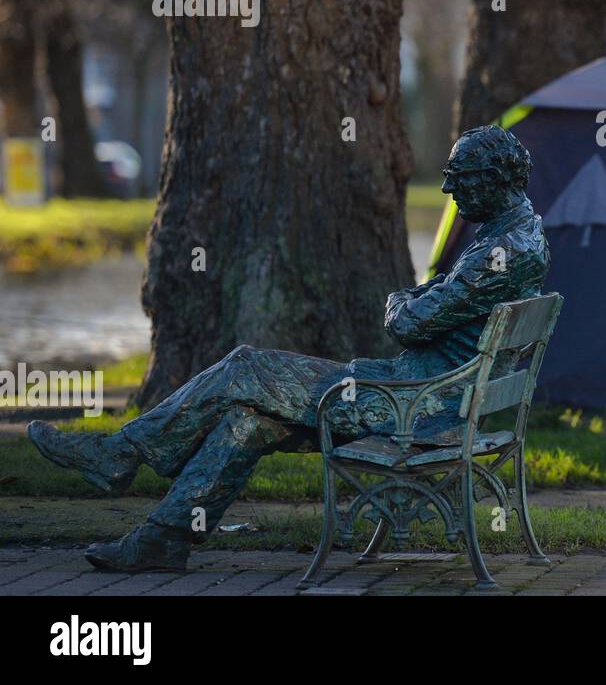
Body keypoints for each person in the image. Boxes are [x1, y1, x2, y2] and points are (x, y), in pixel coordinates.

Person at [28, 125, 549, 571]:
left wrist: (400, 301)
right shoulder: (519, 232)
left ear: (492, 179)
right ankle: (163, 539)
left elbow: (410, 322)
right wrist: (416, 301)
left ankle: (118, 454)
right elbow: (429, 309)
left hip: (417, 406)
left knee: (246, 366)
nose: (446, 188)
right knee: (245, 421)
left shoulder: (500, 250)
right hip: (431, 395)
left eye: (457, 179)